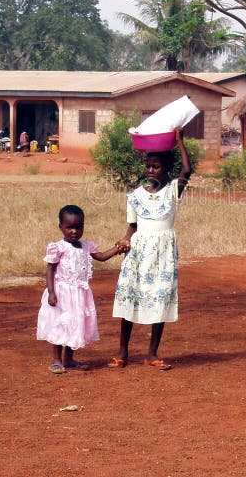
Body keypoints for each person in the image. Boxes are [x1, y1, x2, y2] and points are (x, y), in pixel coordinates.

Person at [109, 129, 192, 371]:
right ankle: (122, 351)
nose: (150, 170)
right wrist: (124, 242)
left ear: (166, 169)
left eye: (156, 166)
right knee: (130, 298)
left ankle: (152, 354)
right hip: (138, 252)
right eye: (148, 166)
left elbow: (187, 170)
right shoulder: (135, 196)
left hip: (163, 254)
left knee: (160, 298)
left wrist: (180, 142)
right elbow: (132, 226)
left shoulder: (172, 192)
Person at [37, 204, 126, 374]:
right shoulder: (58, 247)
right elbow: (50, 269)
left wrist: (117, 249)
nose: (74, 231)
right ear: (61, 227)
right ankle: (57, 360)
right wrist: (51, 292)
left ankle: (69, 359)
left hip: (79, 294)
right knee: (60, 325)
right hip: (62, 293)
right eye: (69, 227)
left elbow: (101, 257)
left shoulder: (87, 246)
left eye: (79, 227)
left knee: (76, 324)